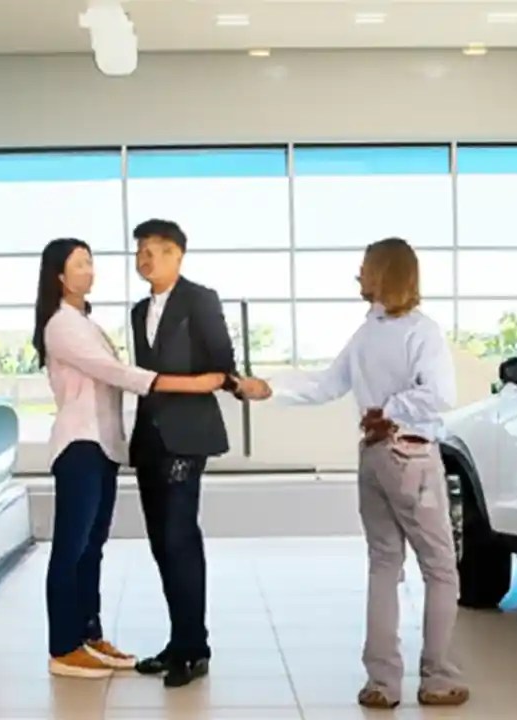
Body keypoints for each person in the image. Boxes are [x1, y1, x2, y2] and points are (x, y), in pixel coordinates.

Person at [236, 237, 469, 709]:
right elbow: (442, 394)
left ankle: (381, 683)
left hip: (374, 459)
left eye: (363, 268)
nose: (357, 276)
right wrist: (394, 409)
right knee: (441, 569)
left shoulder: (370, 333)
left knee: (384, 566)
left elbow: (324, 387)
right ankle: (438, 678)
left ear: (385, 273)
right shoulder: (417, 331)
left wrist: (271, 390)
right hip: (413, 458)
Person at [34, 237, 227, 679]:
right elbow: (118, 374)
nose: (89, 270)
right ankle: (64, 646)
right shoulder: (61, 325)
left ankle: (89, 633)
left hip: (103, 446)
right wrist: (193, 384)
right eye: (80, 264)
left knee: (92, 548)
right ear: (59, 276)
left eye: (90, 262)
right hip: (79, 445)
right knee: (71, 548)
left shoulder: (86, 321)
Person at [128, 219, 238, 688]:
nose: (145, 259)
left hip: (188, 435)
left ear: (177, 255)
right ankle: (181, 640)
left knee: (178, 538)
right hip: (149, 436)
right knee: (160, 542)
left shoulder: (200, 299)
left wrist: (231, 382)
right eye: (140, 251)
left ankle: (194, 648)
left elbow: (222, 363)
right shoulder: (137, 311)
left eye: (155, 250)